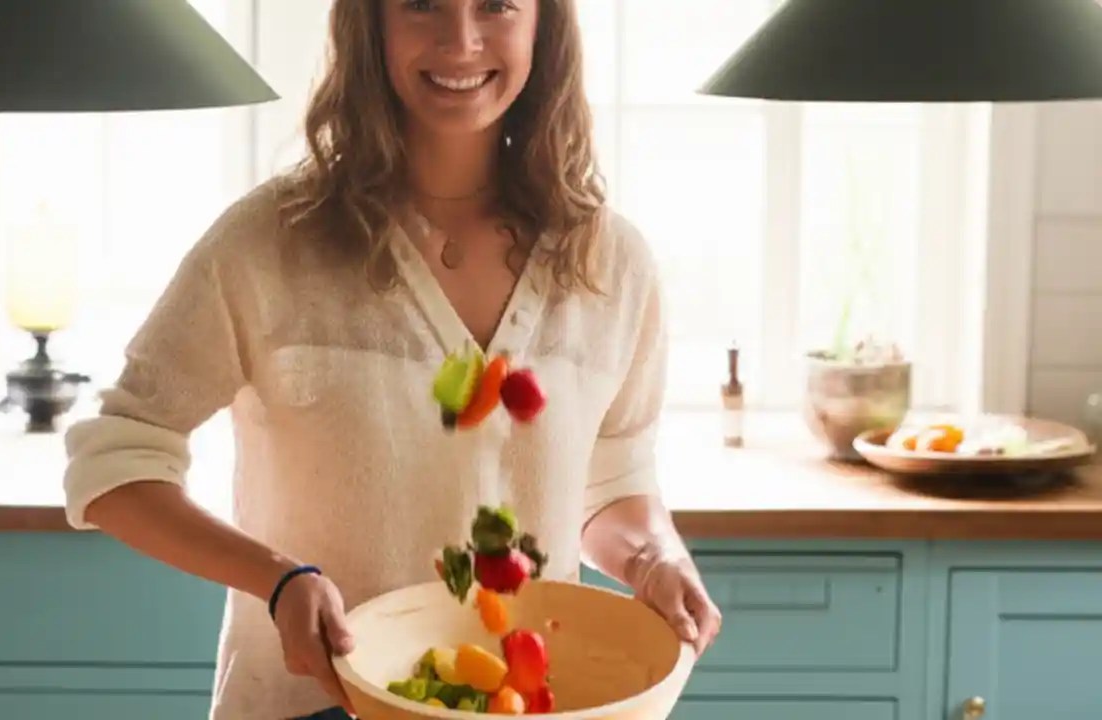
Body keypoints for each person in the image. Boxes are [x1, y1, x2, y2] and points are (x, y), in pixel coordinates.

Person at [61, 0, 723, 718]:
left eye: (496, 5)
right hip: (306, 706)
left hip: (525, 700)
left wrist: (655, 558)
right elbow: (115, 465)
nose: (461, 40)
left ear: (544, 24)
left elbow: (614, 482)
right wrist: (278, 580)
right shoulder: (268, 244)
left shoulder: (608, 262)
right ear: (369, 23)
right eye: (420, 4)